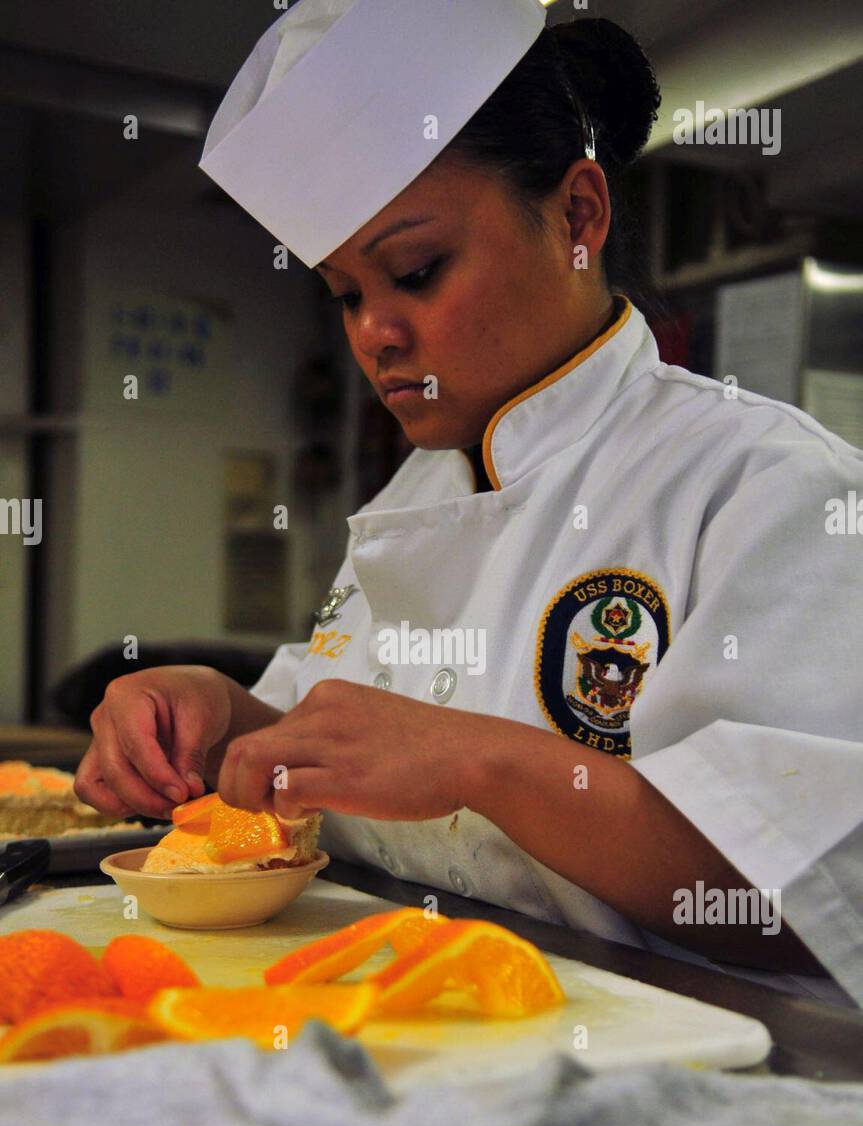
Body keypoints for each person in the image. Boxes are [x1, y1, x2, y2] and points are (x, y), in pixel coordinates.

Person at [75, 3, 863, 1008]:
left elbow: (806, 900)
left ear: (578, 217)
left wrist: (479, 763)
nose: (375, 336)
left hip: (690, 1063)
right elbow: (327, 751)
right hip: (415, 1013)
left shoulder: (764, 484)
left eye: (414, 272)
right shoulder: (418, 494)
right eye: (346, 295)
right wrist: (218, 714)